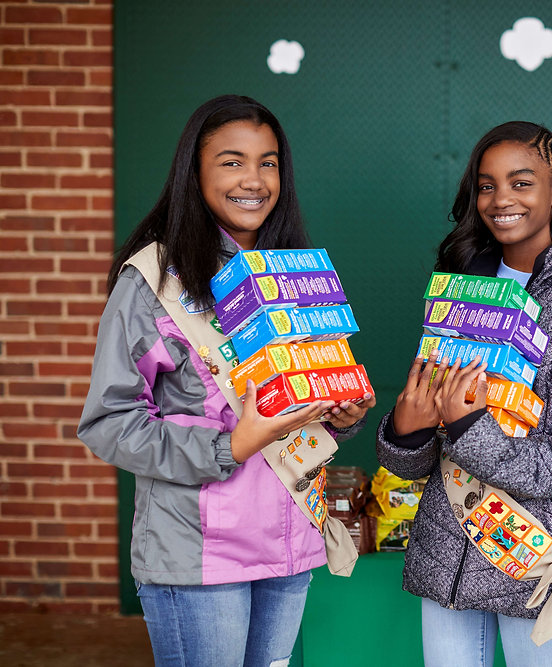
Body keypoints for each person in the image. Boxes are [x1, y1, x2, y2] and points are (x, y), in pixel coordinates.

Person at [77, 95, 375, 666]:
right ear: (195, 171)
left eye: (268, 163)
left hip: (290, 541)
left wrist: (340, 412)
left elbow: (299, 402)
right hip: (199, 557)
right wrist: (231, 444)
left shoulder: (291, 273)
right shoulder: (151, 281)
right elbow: (109, 424)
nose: (255, 180)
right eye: (232, 161)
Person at [375, 121, 552, 666]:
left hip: (537, 556)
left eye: (521, 182)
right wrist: (407, 429)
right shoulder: (461, 285)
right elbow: (416, 460)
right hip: (449, 550)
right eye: (487, 186)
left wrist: (470, 431)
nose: (501, 200)